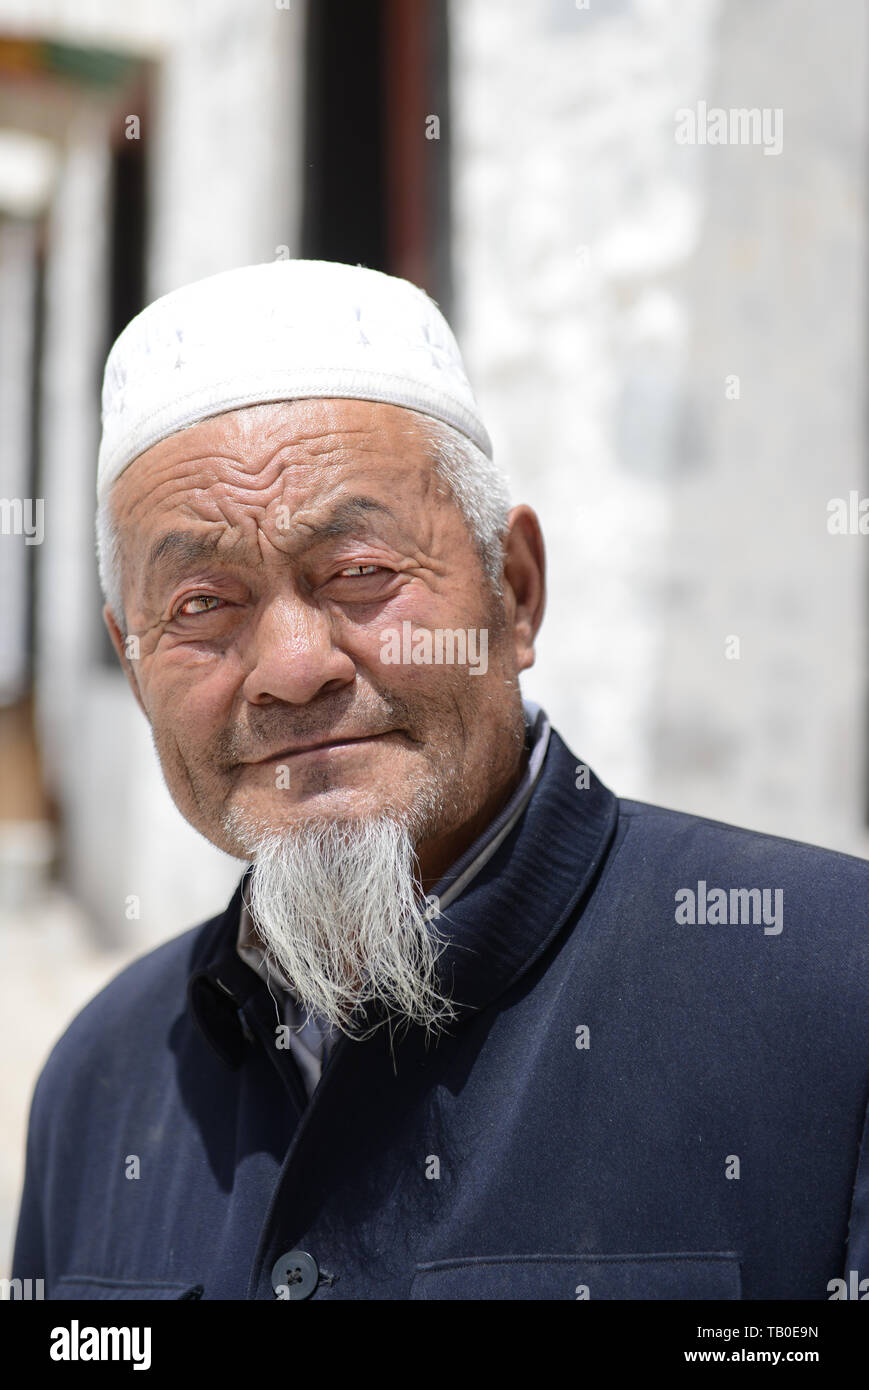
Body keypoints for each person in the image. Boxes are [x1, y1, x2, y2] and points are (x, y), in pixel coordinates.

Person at [11, 259, 868, 1301]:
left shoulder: (831, 990)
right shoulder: (101, 1085)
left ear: (513, 593)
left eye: (360, 572)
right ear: (132, 660)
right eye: (199, 604)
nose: (290, 669)